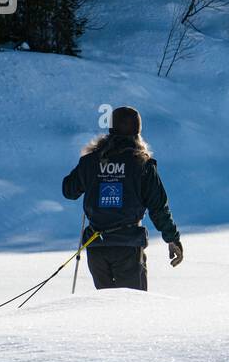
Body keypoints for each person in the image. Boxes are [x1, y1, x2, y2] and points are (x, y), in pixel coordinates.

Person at [62, 106, 183, 291]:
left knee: (108, 308)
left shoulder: (91, 161)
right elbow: (158, 207)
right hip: (128, 247)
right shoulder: (142, 164)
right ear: (137, 132)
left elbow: (69, 191)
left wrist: (88, 165)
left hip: (97, 248)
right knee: (132, 309)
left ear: (110, 130)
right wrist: (172, 238)